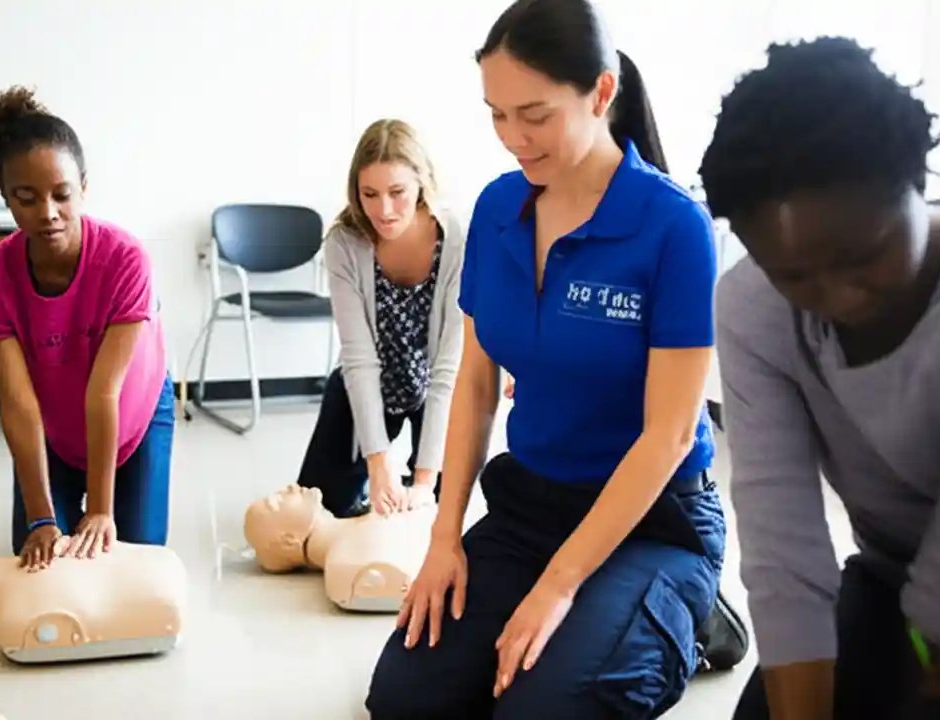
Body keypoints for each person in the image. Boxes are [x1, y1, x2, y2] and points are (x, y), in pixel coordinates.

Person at [365, 1, 726, 717]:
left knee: (542, 709)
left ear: (600, 92)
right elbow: (474, 383)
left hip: (653, 521)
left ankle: (690, 612)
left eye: (534, 114)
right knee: (407, 701)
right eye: (497, 114)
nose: (512, 138)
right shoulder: (498, 211)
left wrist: (559, 586)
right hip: (533, 507)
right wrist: (445, 539)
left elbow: (671, 435)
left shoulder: (673, 227)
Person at [700, 37, 940, 719]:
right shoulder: (753, 304)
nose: (839, 298)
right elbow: (782, 548)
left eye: (865, 257)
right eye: (794, 276)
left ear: (918, 182)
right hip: (893, 575)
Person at [0, 86, 175, 570]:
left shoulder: (125, 259)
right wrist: (41, 518)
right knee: (40, 558)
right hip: (54, 424)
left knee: (131, 561)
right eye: (26, 198)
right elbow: (18, 404)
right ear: (4, 195)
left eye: (62, 195)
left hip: (134, 414)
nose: (48, 213)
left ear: (83, 185)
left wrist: (100, 510)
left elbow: (106, 393)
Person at [295, 119, 465, 518]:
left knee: (440, 508)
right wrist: (377, 460)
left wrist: (423, 481)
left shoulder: (459, 239)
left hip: (439, 388)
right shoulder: (344, 243)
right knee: (322, 508)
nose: (384, 210)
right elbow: (358, 358)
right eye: (369, 194)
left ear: (422, 183)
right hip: (368, 383)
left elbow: (447, 368)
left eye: (397, 192)